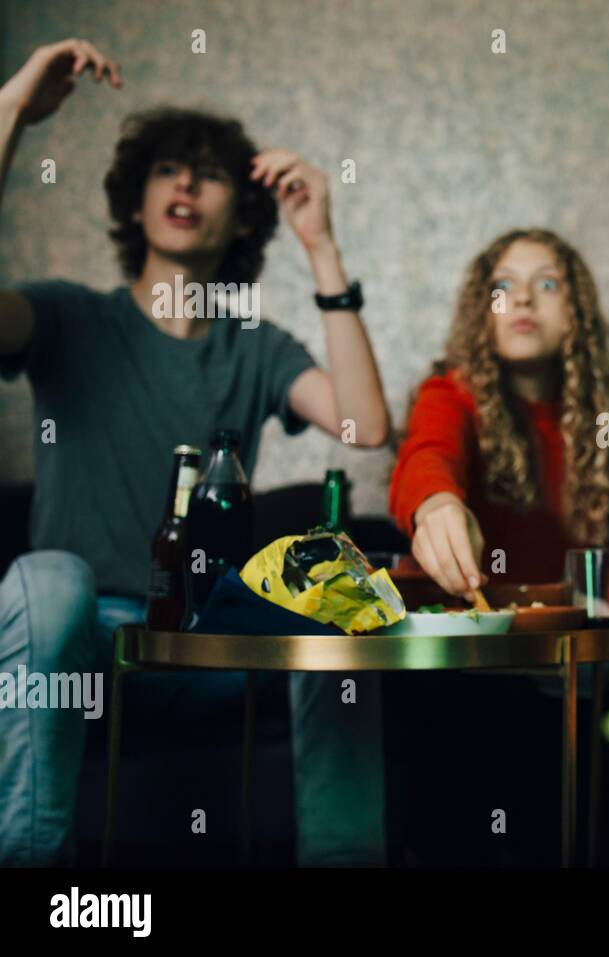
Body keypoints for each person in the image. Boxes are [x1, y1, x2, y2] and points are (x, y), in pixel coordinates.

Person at [0, 39, 391, 865]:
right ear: (135, 203)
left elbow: (364, 426)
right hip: (91, 643)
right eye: (167, 169)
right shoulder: (67, 317)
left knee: (341, 583)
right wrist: (8, 114)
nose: (185, 184)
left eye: (208, 173)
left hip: (214, 638)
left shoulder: (255, 346)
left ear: (242, 214)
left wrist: (322, 246)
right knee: (47, 577)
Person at [390, 229, 609, 646]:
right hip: (465, 650)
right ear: (483, 313)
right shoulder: (448, 396)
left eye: (546, 283)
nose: (522, 298)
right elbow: (427, 456)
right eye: (503, 286)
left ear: (576, 310)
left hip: (564, 651)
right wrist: (437, 505)